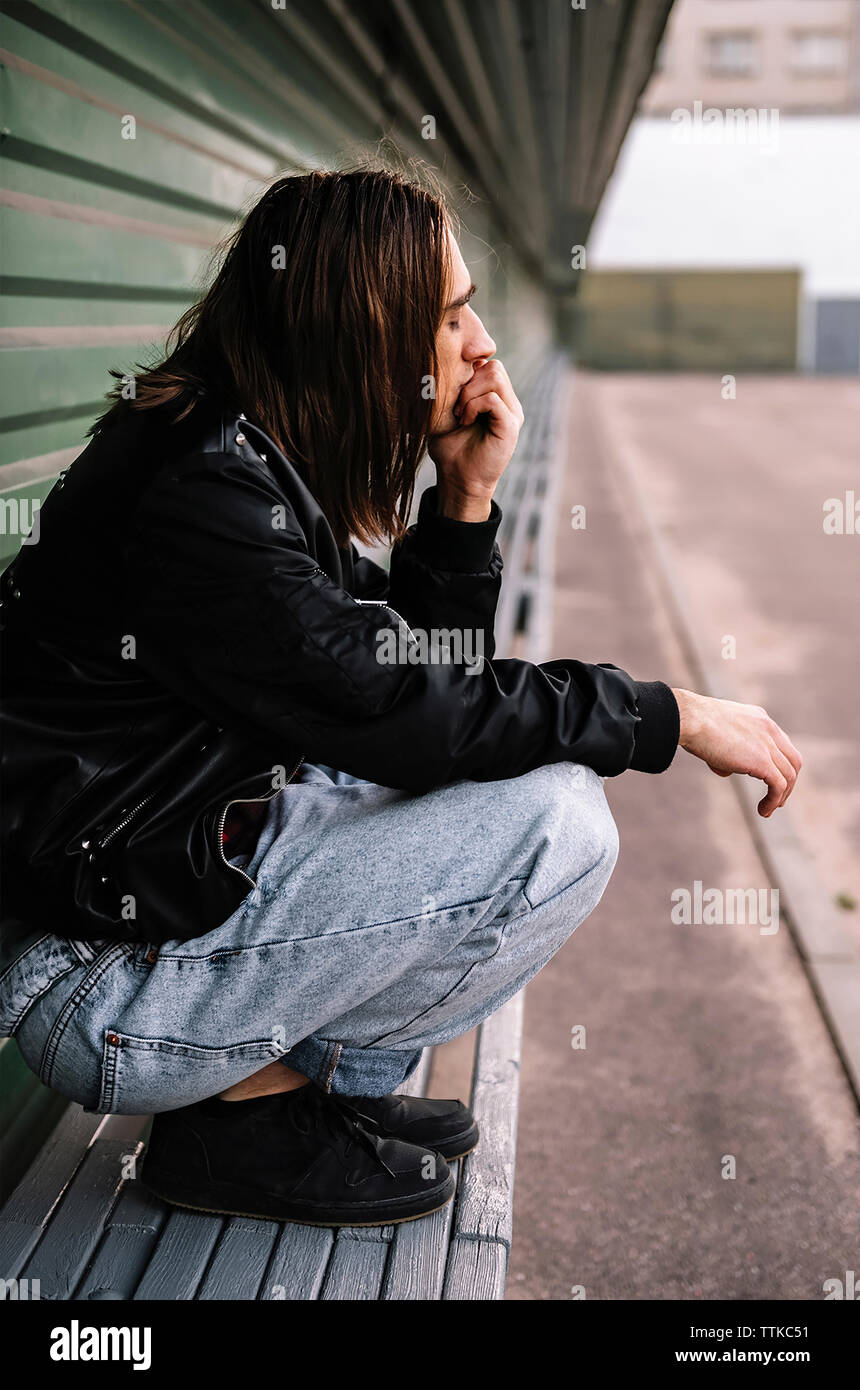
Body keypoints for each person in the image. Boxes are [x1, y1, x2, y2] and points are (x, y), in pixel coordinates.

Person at [0, 168, 801, 1228]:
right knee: (554, 820)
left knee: (526, 774)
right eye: (449, 316)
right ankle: (242, 1112)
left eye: (470, 308)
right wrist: (664, 714)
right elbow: (409, 715)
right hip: (95, 981)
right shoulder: (199, 497)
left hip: (163, 890)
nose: (481, 346)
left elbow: (408, 679)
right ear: (357, 334)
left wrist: (463, 501)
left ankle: (287, 1091)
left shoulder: (243, 454)